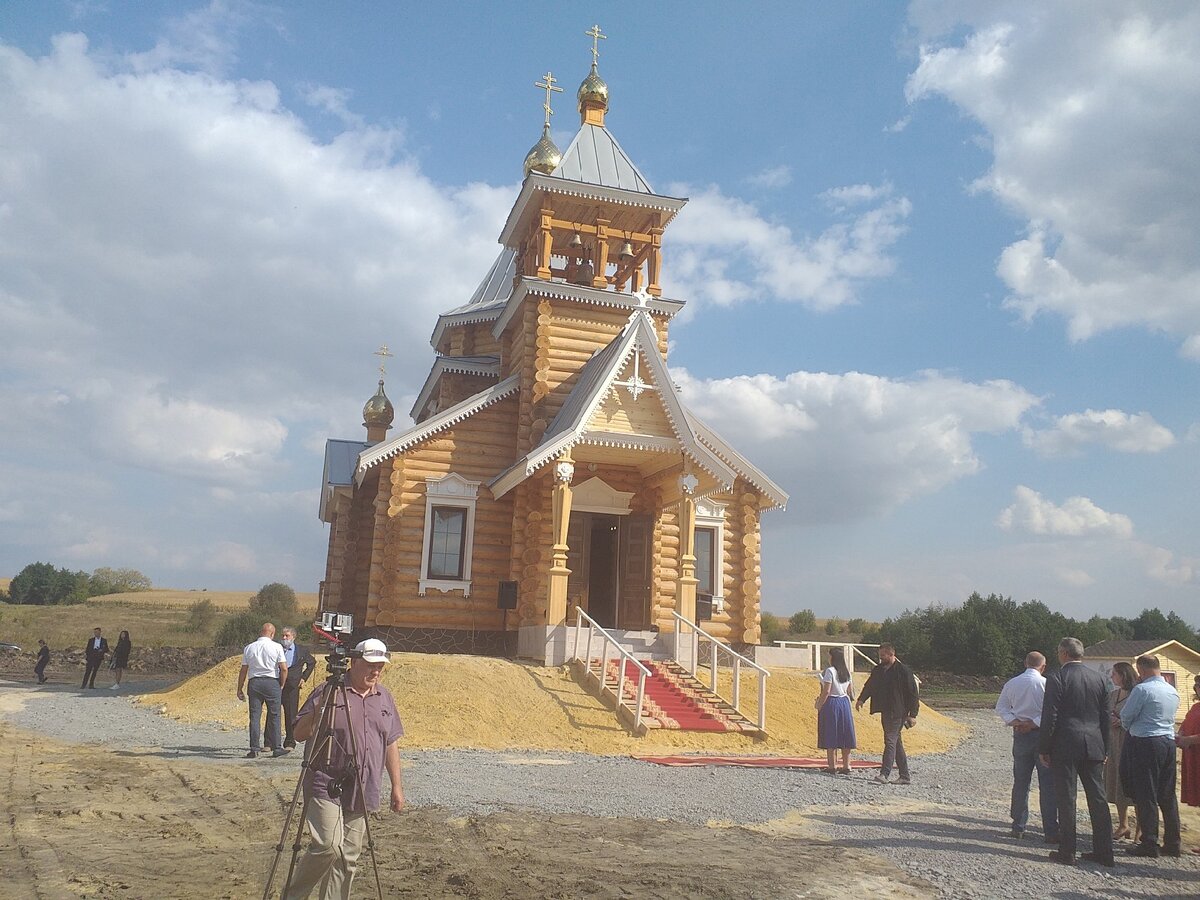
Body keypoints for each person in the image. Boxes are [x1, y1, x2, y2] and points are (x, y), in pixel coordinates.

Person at [286, 638, 404, 899]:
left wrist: (397, 786)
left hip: (363, 785)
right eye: (371, 665)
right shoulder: (328, 691)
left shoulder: (384, 697)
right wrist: (318, 710)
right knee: (329, 846)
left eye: (380, 667)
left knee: (348, 858)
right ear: (354, 662)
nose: (376, 672)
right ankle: (294, 896)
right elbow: (299, 734)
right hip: (324, 780)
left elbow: (391, 743)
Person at [1038, 637, 1114, 867]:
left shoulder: (1057, 677)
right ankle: (1105, 852)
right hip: (1094, 744)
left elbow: (1050, 716)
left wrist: (1044, 747)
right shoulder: (1100, 678)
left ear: (1063, 653)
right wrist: (1106, 748)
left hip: (1065, 744)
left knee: (1067, 798)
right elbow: (1105, 717)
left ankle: (1067, 850)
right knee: (1098, 799)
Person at [1119, 654, 1181, 858]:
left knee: (1146, 793)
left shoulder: (1142, 689)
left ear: (1142, 670)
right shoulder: (1172, 690)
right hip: (1168, 741)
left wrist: (1130, 727)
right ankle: (1173, 841)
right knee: (1167, 793)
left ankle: (1149, 841)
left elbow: (1126, 716)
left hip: (1145, 742)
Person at [995, 651, 1058, 843]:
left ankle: (1018, 826)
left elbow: (1001, 707)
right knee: (1047, 784)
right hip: (1042, 735)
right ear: (1043, 667)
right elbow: (1052, 711)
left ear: (1025, 663)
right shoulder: (1046, 684)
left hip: (1020, 735)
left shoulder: (1012, 683)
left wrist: (1016, 722)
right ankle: (1050, 830)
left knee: (1021, 781)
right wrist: (1033, 723)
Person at [855, 642, 918, 785]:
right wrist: (861, 699)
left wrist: (913, 714)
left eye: (883, 656)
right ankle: (904, 776)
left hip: (898, 711)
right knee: (896, 742)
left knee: (890, 741)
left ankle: (884, 774)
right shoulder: (878, 670)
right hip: (885, 710)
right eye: (880, 656)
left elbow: (913, 693)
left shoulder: (903, 671)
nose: (881, 658)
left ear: (891, 654)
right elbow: (870, 685)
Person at [236, 623, 289, 759]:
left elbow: (243, 670)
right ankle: (277, 747)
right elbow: (283, 668)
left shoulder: (249, 648)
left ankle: (254, 748)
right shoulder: (277, 647)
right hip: (271, 682)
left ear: (261, 632)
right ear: (272, 634)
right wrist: (281, 684)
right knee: (275, 715)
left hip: (254, 682)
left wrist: (240, 688)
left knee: (254, 716)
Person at [1104, 661, 1138, 841]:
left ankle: (1141, 828)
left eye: (1115, 674)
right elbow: (1103, 712)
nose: (1111, 677)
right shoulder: (1113, 694)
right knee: (1116, 783)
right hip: (1113, 744)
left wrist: (1122, 722)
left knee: (1134, 784)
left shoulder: (1137, 694)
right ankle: (1123, 824)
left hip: (1130, 743)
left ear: (1124, 675)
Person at [815, 646, 857, 774]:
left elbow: (827, 690)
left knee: (831, 732)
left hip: (832, 702)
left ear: (833, 657)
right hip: (844, 703)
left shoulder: (830, 671)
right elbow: (850, 691)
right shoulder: (846, 672)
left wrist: (819, 704)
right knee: (845, 732)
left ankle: (832, 766)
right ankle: (846, 765)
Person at [280, 626, 317, 752]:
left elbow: (312, 662)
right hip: (277, 685)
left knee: (291, 714)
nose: (284, 638)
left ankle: (290, 741)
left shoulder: (301, 650)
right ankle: (270, 742)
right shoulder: (277, 649)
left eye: (287, 636)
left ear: (293, 637)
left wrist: (304, 678)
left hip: (292, 687)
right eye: (283, 636)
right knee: (273, 714)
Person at [1176, 675, 1200, 855]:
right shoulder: (1195, 707)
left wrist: (1187, 740)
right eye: (1197, 684)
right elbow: (1184, 725)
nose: (1197, 687)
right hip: (1192, 757)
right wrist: (1180, 735)